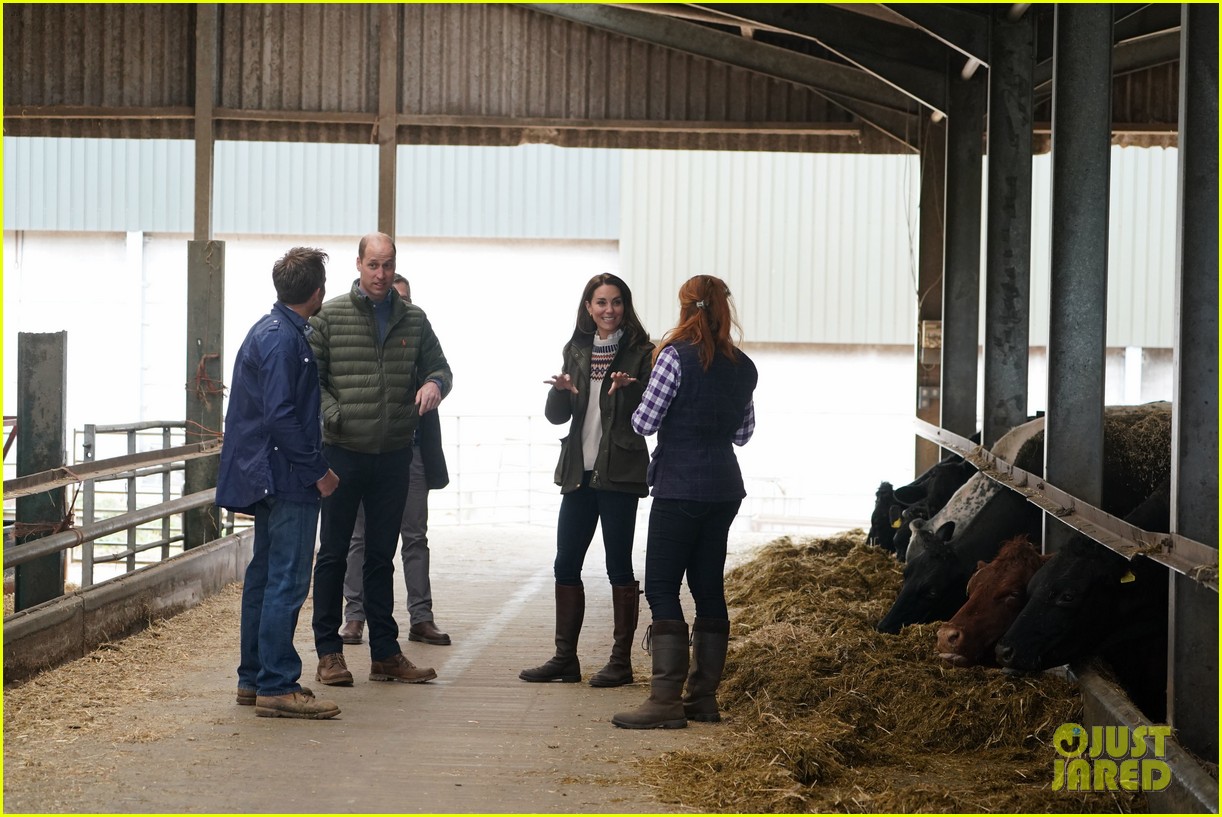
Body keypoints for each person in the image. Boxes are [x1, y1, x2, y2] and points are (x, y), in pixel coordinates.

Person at [612, 275, 758, 730]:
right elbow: (743, 433)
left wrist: (635, 395)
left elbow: (645, 423)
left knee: (660, 587)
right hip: (724, 490)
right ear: (723, 308)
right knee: (709, 587)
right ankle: (703, 699)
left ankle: (664, 702)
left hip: (679, 487)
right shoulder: (744, 365)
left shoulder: (674, 357)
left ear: (685, 307)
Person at [309, 232, 453, 686]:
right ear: (358, 264)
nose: (381, 274)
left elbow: (441, 368)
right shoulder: (328, 317)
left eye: (388, 265)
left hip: (393, 454)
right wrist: (338, 417)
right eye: (373, 265)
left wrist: (434, 384)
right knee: (333, 554)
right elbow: (310, 382)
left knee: (379, 557)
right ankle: (329, 653)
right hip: (343, 454)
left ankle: (386, 654)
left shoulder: (413, 319)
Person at [216, 247, 342, 719]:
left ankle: (253, 678)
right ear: (317, 292)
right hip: (286, 478)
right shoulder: (285, 341)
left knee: (264, 577)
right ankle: (276, 683)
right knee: (287, 579)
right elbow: (282, 416)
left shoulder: (268, 332)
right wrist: (319, 471)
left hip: (263, 475)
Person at [520, 273, 653, 687]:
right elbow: (557, 416)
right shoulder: (576, 349)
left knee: (618, 566)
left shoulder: (643, 352)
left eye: (616, 302)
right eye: (600, 302)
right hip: (579, 473)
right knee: (565, 563)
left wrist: (628, 391)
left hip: (621, 474)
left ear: (625, 307)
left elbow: (646, 420)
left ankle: (620, 662)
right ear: (588, 307)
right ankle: (565, 659)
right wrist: (561, 391)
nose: (608, 310)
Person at [339, 274, 452, 648]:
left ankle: (421, 617)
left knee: (414, 536)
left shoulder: (416, 328)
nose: (394, 301)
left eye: (401, 296)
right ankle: (354, 616)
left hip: (410, 448)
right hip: (362, 448)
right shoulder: (354, 332)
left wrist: (433, 382)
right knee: (359, 536)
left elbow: (442, 369)